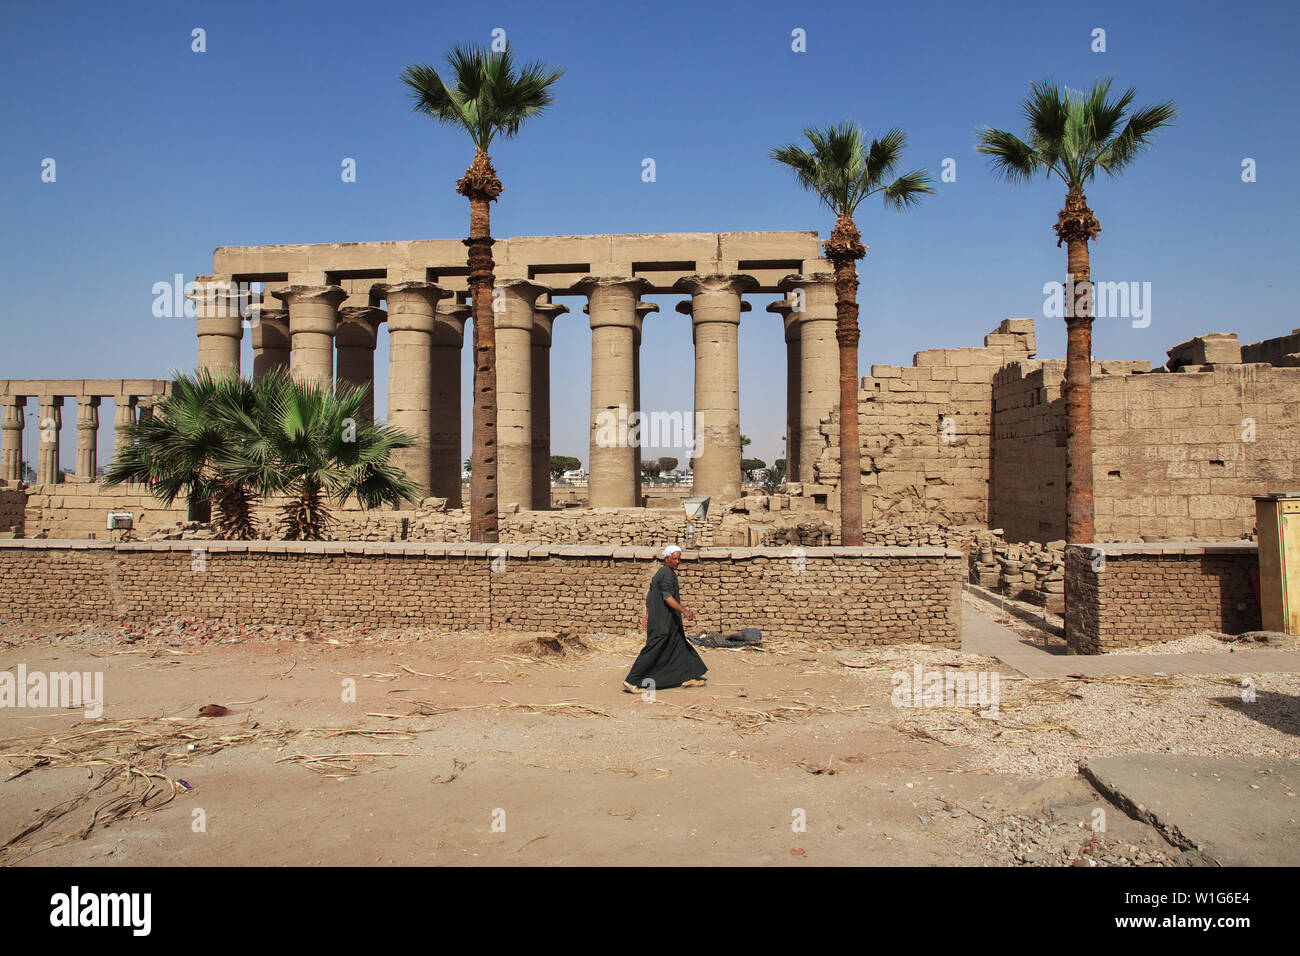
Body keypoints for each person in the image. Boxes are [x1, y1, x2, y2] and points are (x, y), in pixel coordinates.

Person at [623, 544, 708, 693]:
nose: (677, 562)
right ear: (667, 558)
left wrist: (648, 615)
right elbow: (667, 597)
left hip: (667, 622)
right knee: (653, 649)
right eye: (674, 559)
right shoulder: (667, 575)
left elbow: (650, 596)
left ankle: (687, 677)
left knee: (679, 646)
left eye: (679, 559)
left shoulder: (661, 573)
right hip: (663, 622)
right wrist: (684, 611)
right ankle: (631, 680)